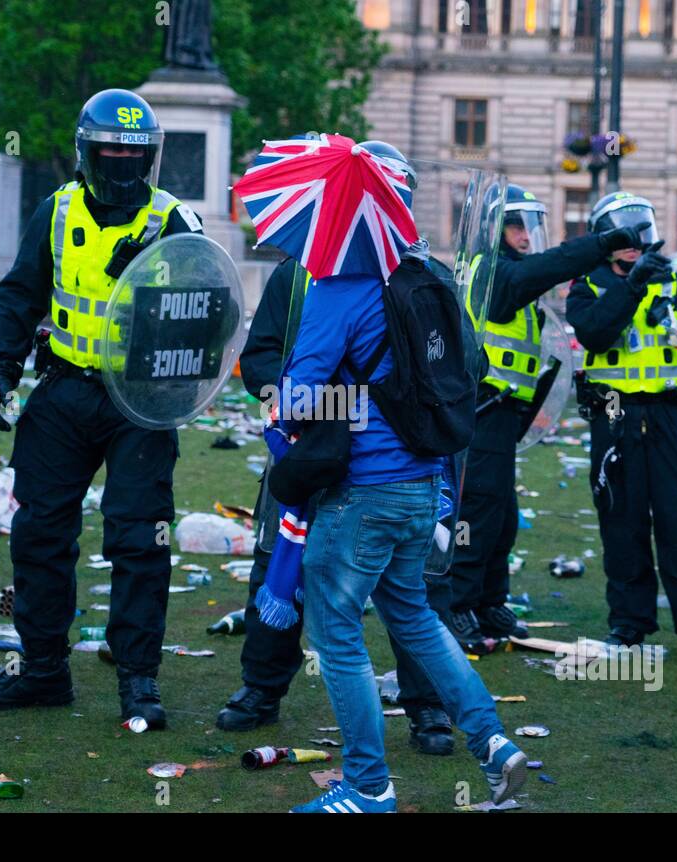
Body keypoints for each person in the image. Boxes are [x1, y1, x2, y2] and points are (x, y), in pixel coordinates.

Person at [284, 167, 529, 815]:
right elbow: (468, 367)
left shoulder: (340, 286)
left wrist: (280, 401)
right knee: (414, 615)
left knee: (336, 630)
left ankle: (369, 786)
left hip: (363, 492)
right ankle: (494, 743)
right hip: (424, 484)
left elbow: (301, 399)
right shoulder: (425, 274)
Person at [214, 141, 457, 756]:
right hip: (309, 448)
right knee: (278, 561)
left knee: (414, 584)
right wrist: (296, 407)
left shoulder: (430, 276)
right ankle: (261, 688)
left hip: (393, 456)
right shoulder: (298, 271)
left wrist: (371, 404)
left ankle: (428, 708)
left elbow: (455, 371)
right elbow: (261, 357)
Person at [0, 89, 204, 729]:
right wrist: (0, 367)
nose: (124, 166)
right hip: (65, 389)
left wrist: (155, 283)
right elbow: (20, 294)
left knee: (139, 538)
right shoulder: (56, 211)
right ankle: (43, 670)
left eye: (136, 155)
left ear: (151, 157)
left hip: (143, 401)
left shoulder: (174, 223)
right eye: (112, 154)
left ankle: (138, 681)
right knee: (40, 533)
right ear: (87, 153)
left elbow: (208, 317)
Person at [432, 185, 648, 652]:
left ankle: (489, 601)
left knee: (502, 515)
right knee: (480, 512)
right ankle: (457, 606)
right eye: (516, 226)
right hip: (484, 407)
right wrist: (601, 244)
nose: (526, 235)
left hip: (503, 412)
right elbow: (547, 268)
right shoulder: (492, 270)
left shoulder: (510, 273)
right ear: (494, 229)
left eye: (530, 225)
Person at [565, 192, 677, 660]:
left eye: (640, 229)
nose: (634, 241)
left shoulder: (675, 283)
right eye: (623, 233)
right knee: (622, 520)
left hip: (669, 413)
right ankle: (630, 622)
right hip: (614, 413)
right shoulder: (587, 285)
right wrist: (632, 286)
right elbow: (594, 333)